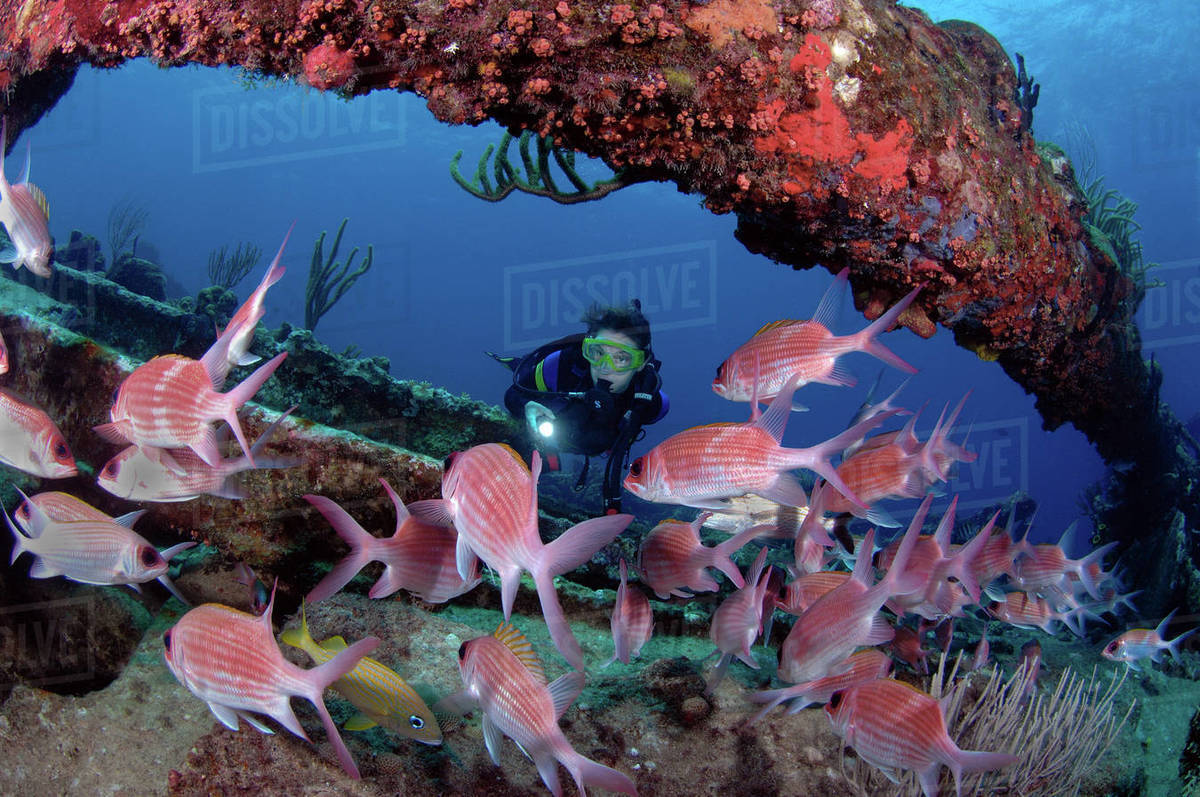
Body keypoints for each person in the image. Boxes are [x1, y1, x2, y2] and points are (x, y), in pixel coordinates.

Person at [490, 300, 669, 514]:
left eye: (621, 358)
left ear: (640, 363)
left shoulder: (651, 404)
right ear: (587, 348)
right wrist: (527, 406)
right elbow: (513, 394)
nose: (604, 367)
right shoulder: (560, 367)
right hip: (551, 438)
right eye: (597, 352)